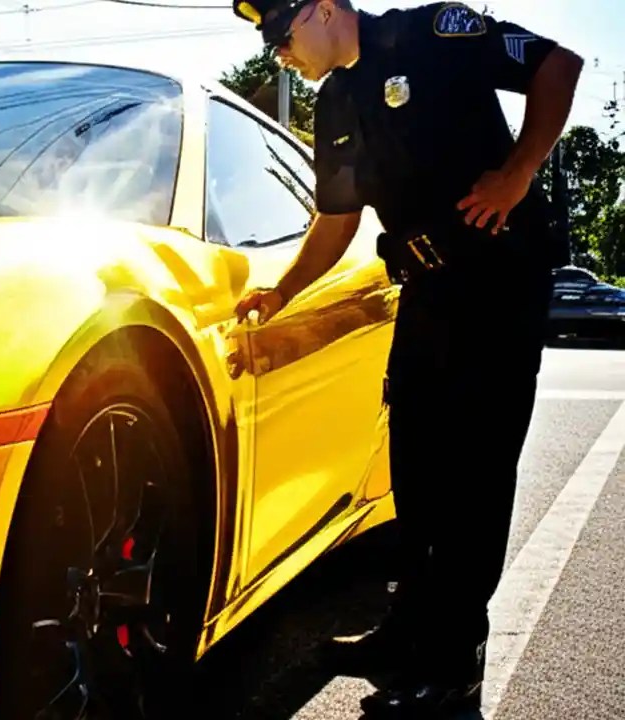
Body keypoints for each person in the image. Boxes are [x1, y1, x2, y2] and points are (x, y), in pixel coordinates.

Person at [229, 0, 583, 716]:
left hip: (497, 278)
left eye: (281, 34)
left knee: (472, 476)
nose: (278, 55)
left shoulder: (433, 33)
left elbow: (557, 64)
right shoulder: (335, 101)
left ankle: (453, 667)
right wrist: (282, 293)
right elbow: (337, 220)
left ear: (325, 9)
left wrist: (518, 172)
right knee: (417, 472)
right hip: (425, 292)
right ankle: (409, 633)